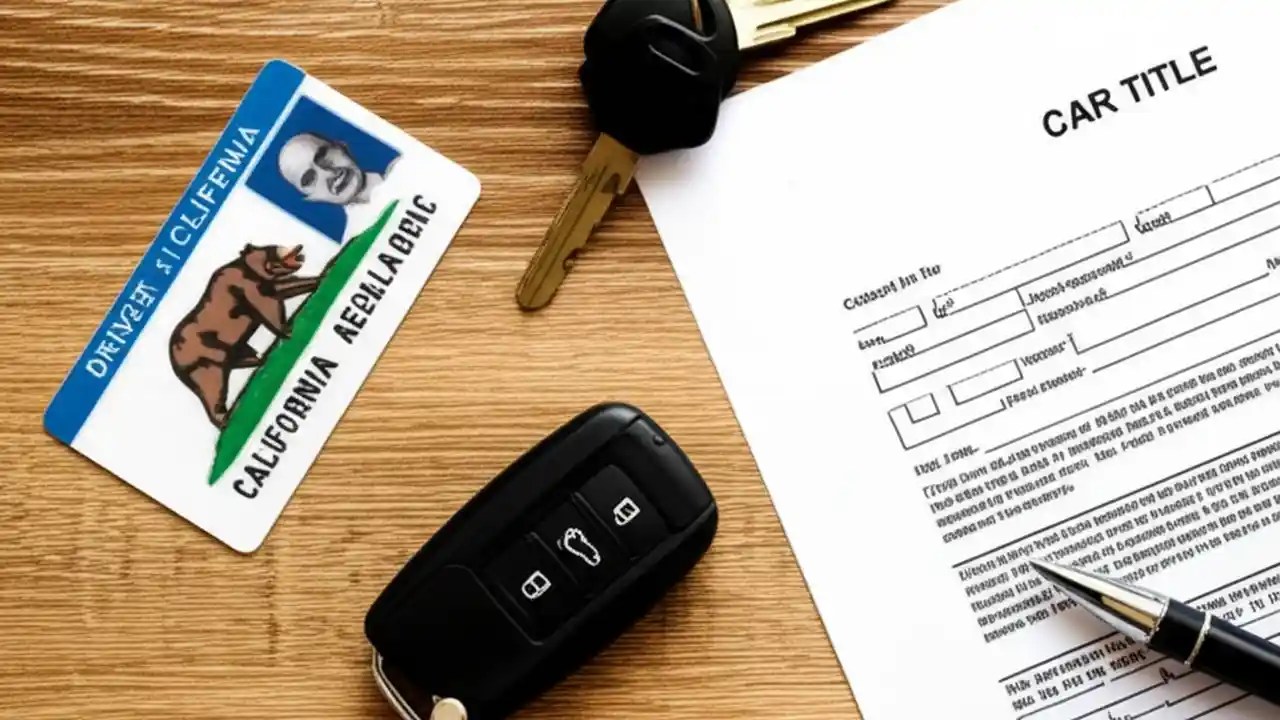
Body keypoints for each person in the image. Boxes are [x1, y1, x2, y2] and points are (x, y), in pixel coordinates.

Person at [276, 132, 400, 240]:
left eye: (322, 156)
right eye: (309, 179)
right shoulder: (356, 244)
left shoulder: (406, 166)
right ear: (311, 198)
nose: (329, 173)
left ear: (342, 146)